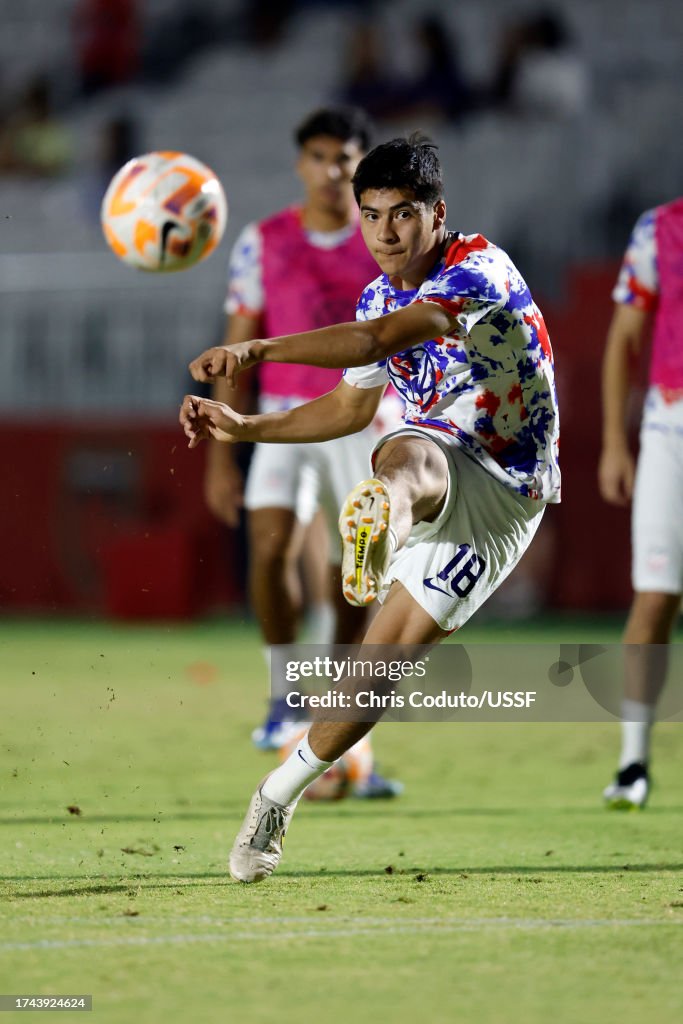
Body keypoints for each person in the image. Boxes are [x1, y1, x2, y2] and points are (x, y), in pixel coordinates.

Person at [181, 135, 561, 882]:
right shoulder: (377, 292)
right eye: (371, 215)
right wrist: (250, 427)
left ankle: (378, 533)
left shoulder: (477, 271)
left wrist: (256, 352)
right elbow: (351, 409)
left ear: (437, 214)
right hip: (434, 463)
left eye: (403, 215)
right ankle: (274, 802)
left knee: (378, 662)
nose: (385, 233)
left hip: (508, 493)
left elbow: (380, 339)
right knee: (404, 452)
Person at [204, 106, 402, 774]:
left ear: (359, 165)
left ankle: (338, 707)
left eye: (343, 159)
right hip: (287, 417)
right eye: (318, 158)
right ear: (300, 164)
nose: (330, 171)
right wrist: (220, 455)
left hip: (362, 414)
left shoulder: (383, 241)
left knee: (358, 571)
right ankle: (284, 698)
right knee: (267, 546)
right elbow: (236, 344)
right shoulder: (263, 241)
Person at [598, 200, 683, 809]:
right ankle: (633, 762)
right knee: (654, 598)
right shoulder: (660, 227)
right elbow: (624, 337)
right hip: (669, 427)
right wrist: (611, 443)